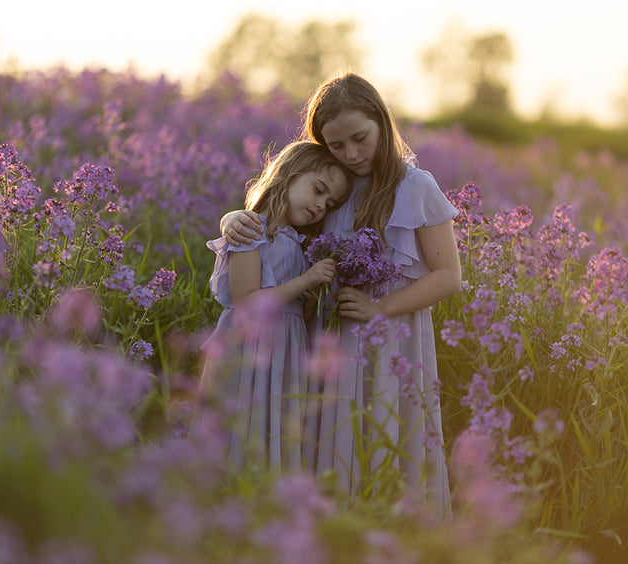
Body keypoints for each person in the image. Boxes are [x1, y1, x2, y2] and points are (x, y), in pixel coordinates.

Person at [221, 73, 462, 516]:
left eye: (360, 138)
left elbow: (448, 276)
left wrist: (379, 308)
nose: (351, 154)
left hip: (392, 335)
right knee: (328, 445)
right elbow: (281, 225)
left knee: (388, 437)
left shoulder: (416, 186)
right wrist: (234, 217)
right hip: (330, 341)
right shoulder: (336, 188)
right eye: (336, 145)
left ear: (381, 122)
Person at [198, 140, 353, 473]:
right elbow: (248, 304)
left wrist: (307, 308)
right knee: (241, 429)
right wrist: (306, 280)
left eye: (330, 203)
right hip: (250, 352)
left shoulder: (300, 243)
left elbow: (293, 311)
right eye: (318, 190)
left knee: (274, 435)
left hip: (285, 355)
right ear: (289, 174)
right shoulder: (251, 231)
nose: (321, 205)